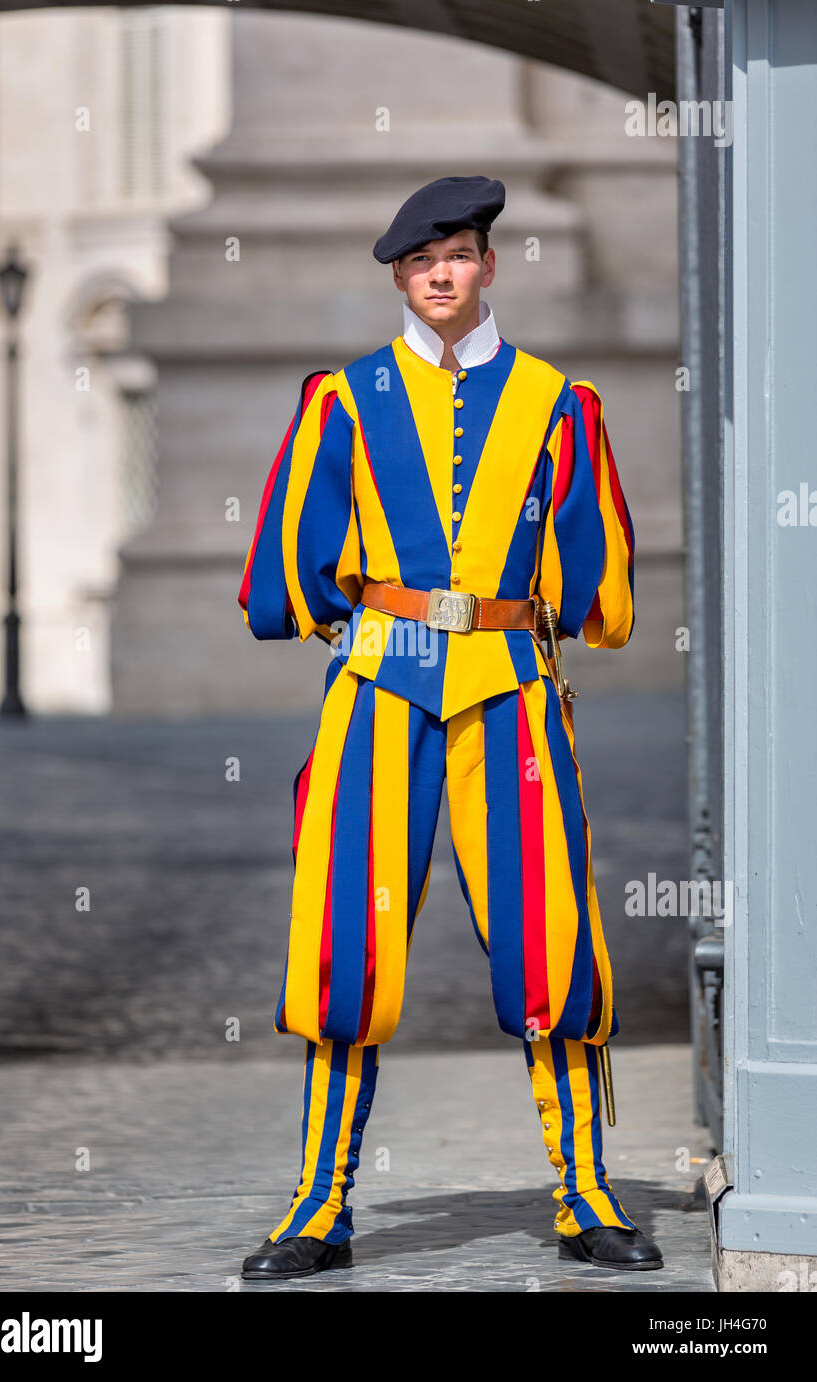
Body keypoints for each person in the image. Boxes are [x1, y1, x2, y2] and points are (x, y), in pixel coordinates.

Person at [237, 175, 663, 1280]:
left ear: (486, 265)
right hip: (380, 691)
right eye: (422, 259)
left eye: (460, 253)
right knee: (345, 951)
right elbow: (287, 569)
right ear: (397, 274)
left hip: (513, 696)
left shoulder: (556, 403)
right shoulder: (343, 397)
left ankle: (582, 1195)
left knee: (550, 940)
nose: (441, 273)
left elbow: (601, 593)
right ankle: (315, 1211)